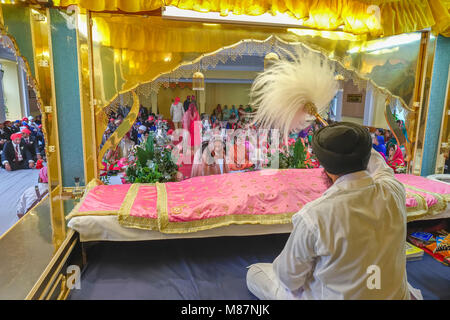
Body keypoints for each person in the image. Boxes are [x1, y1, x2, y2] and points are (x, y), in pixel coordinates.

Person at [247, 122, 422, 300]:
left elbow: (289, 279)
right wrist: (353, 140)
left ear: (326, 169)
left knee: (256, 273)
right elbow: (380, 166)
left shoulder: (315, 215)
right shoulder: (394, 190)